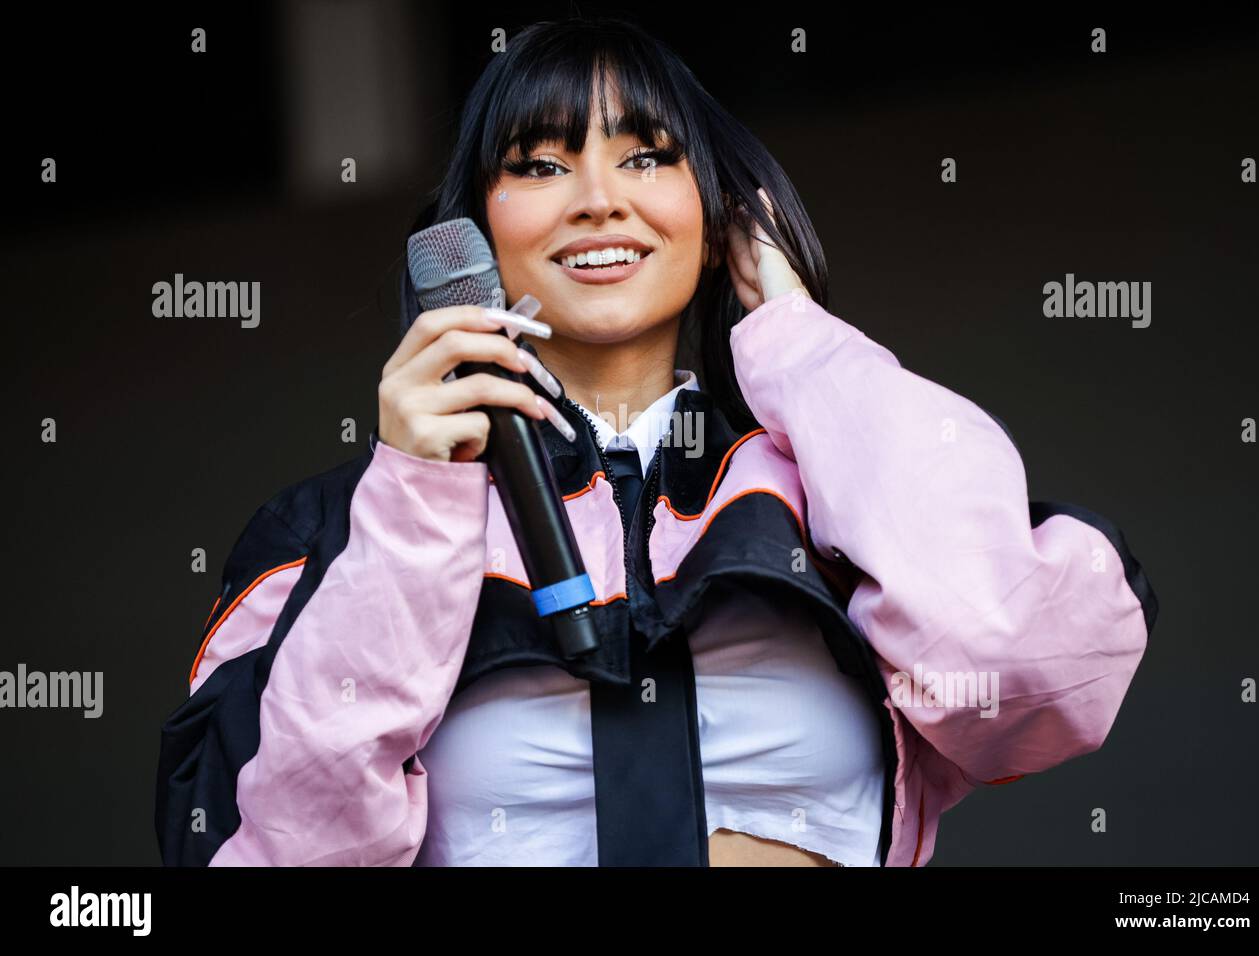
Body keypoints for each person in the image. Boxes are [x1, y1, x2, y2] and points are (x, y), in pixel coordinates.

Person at [155, 16, 1157, 867]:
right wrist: (417, 499)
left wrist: (796, 338)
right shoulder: (334, 530)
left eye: (645, 155)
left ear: (721, 210)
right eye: (540, 164)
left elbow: (1025, 668)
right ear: (469, 236)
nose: (598, 196)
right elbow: (268, 851)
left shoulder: (836, 484)